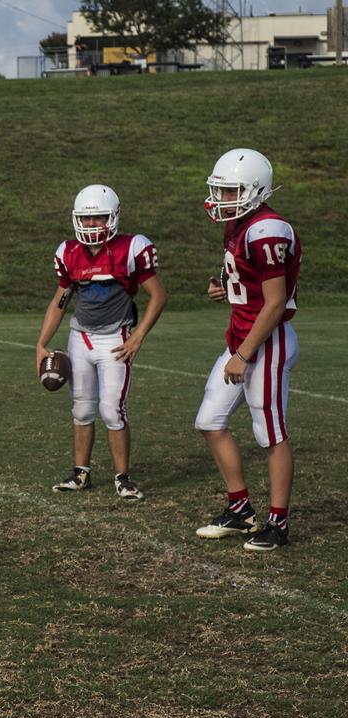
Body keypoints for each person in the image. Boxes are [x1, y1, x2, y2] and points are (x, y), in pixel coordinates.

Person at [194, 148, 300, 552]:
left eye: (230, 191)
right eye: (219, 191)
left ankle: (278, 523)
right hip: (240, 337)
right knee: (209, 420)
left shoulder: (268, 228)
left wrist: (245, 354)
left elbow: (274, 303)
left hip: (266, 342)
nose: (221, 200)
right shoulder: (240, 225)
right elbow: (248, 281)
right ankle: (240, 511)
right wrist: (224, 287)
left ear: (256, 191)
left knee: (270, 434)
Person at [35, 184, 168, 500]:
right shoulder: (69, 253)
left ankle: (122, 477)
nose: (92, 225)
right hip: (79, 339)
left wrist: (138, 335)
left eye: (99, 218)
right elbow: (60, 300)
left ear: (113, 217)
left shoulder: (131, 249)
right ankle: (81, 474)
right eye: (87, 218)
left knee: (112, 410)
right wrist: (41, 343)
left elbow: (158, 295)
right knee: (81, 409)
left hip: (115, 340)